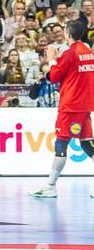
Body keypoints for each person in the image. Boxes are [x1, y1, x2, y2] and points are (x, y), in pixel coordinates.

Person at [30, 19, 94, 200]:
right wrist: (58, 60)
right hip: (85, 105)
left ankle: (50, 186)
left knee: (61, 143)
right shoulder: (87, 51)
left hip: (71, 106)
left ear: (68, 33)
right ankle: (49, 185)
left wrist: (51, 60)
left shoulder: (71, 52)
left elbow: (54, 76)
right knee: (87, 143)